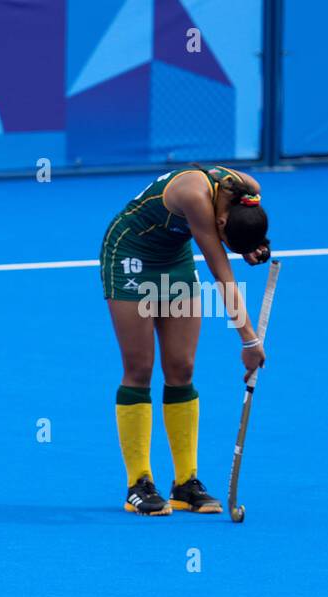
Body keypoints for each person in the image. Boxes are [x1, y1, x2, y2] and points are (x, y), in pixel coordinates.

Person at [100, 165, 271, 515]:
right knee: (140, 367)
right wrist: (249, 342)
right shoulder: (196, 197)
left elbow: (246, 231)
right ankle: (139, 483)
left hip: (173, 258)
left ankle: (185, 483)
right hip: (130, 255)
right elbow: (221, 273)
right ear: (220, 223)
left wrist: (255, 245)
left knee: (182, 367)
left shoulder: (248, 191)